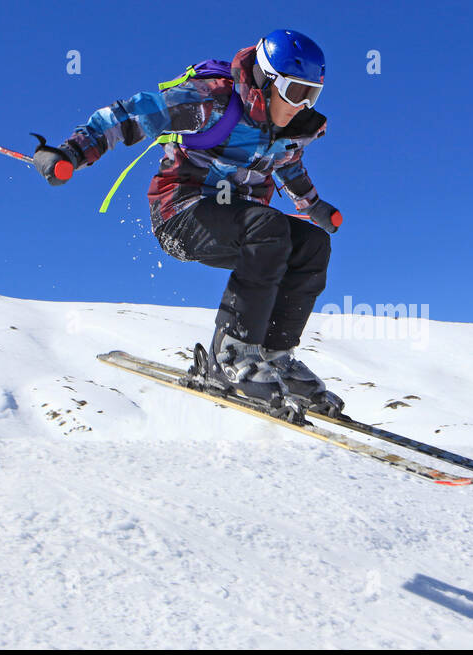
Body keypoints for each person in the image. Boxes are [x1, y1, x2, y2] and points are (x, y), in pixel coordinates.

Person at [33, 29, 341, 409]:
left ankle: (275, 355)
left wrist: (314, 207)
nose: (302, 106)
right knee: (268, 228)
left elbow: (289, 167)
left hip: (240, 223)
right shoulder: (211, 101)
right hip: (181, 212)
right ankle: (231, 357)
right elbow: (132, 114)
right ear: (265, 80)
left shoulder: (290, 131)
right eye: (296, 92)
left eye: (313, 95)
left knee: (312, 245)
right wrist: (72, 151)